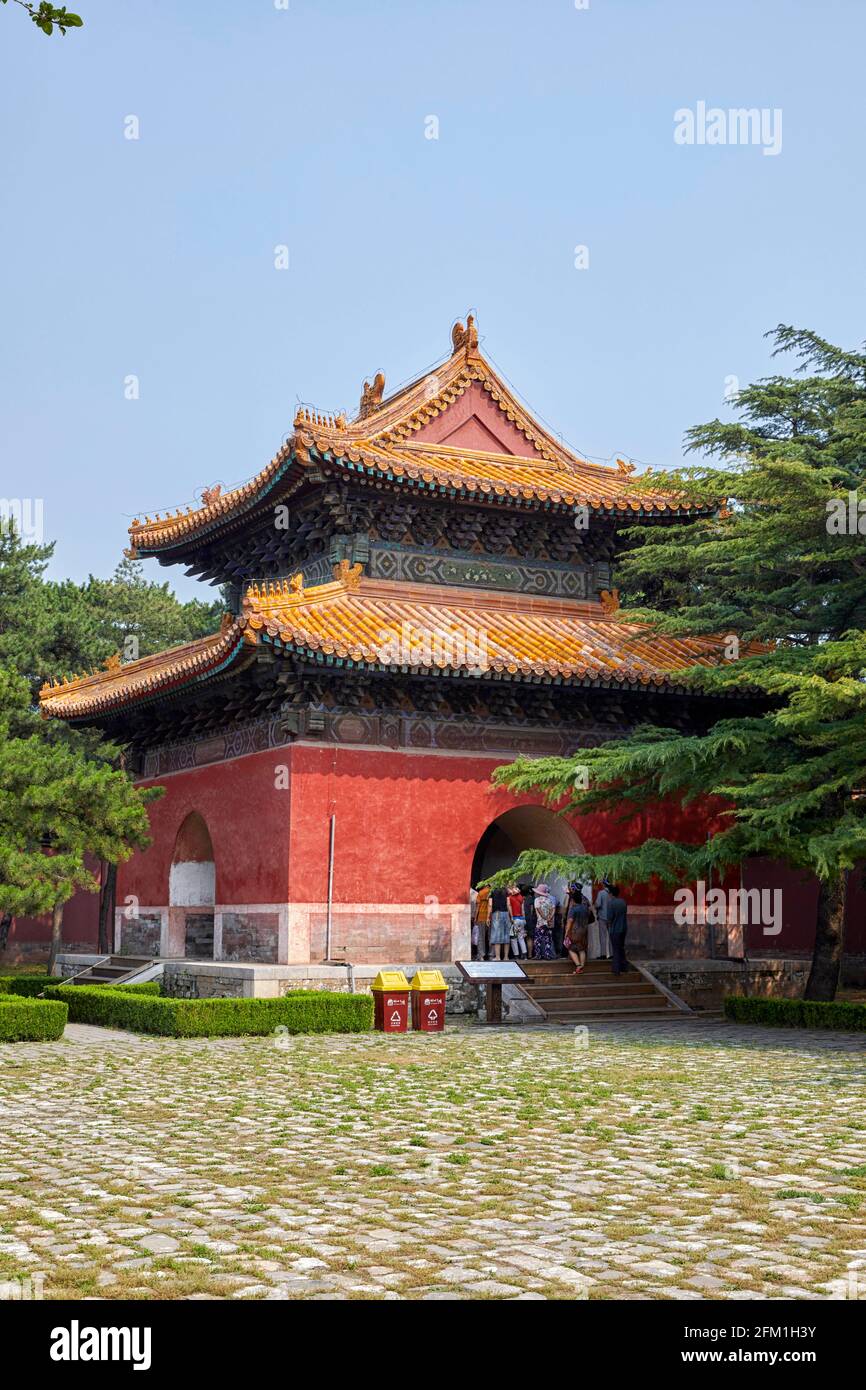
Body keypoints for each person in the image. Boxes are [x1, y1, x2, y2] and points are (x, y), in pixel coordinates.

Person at [565, 881, 593, 975]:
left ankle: (578, 966)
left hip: (574, 930)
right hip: (584, 929)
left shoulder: (573, 903)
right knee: (582, 949)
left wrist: (566, 932)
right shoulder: (585, 901)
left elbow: (570, 919)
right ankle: (581, 966)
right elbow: (590, 913)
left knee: (571, 948)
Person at [607, 884, 629, 976]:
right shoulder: (623, 902)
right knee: (621, 947)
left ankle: (616, 969)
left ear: (611, 893)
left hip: (615, 929)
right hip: (623, 928)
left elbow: (609, 918)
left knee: (615, 949)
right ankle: (624, 967)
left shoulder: (611, 903)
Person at [532, 884, 556, 960]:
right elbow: (553, 909)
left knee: (537, 939)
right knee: (547, 939)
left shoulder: (537, 900)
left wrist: (544, 918)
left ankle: (538, 955)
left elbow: (538, 910)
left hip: (540, 922)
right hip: (549, 923)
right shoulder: (550, 900)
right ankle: (547, 955)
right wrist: (550, 918)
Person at [488, 883, 511, 961]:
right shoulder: (506, 891)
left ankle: (498, 957)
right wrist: (511, 915)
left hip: (496, 913)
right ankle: (506, 957)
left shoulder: (492, 891)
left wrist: (488, 917)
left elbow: (490, 905)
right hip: (506, 913)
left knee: (497, 934)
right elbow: (508, 904)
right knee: (506, 934)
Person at [592, 878, 613, 960]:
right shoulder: (612, 893)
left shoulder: (601, 893)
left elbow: (598, 904)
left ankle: (603, 954)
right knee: (611, 936)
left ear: (604, 884)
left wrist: (594, 905)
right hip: (611, 917)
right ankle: (612, 954)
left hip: (602, 917)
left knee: (603, 936)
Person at [507, 884, 527, 958]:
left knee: (513, 938)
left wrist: (511, 917)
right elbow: (523, 909)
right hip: (521, 919)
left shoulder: (510, 898)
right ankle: (525, 955)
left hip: (515, 919)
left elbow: (509, 908)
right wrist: (524, 919)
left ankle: (516, 955)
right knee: (521, 937)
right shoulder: (521, 897)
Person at [472, 884, 491, 960]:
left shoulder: (481, 893)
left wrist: (475, 917)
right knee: (490, 937)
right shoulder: (491, 892)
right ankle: (491, 955)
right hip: (491, 917)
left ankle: (481, 955)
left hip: (481, 917)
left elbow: (478, 906)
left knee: (481, 937)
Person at [520, 883, 536, 957]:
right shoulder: (533, 899)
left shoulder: (524, 900)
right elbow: (532, 911)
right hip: (532, 920)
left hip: (525, 919)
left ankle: (526, 954)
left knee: (526, 938)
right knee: (531, 938)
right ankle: (530, 954)